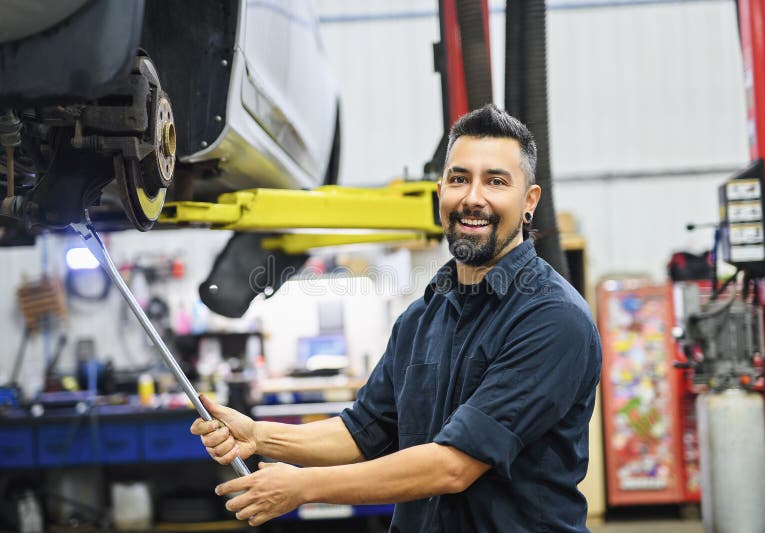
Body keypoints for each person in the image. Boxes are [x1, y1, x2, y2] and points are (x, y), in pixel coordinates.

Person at [191, 104, 602, 532]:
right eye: (460, 179)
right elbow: (362, 431)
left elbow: (452, 467)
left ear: (529, 201)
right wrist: (258, 435)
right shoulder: (423, 318)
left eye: (496, 181)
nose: (473, 197)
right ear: (441, 191)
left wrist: (305, 486)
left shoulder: (552, 319)